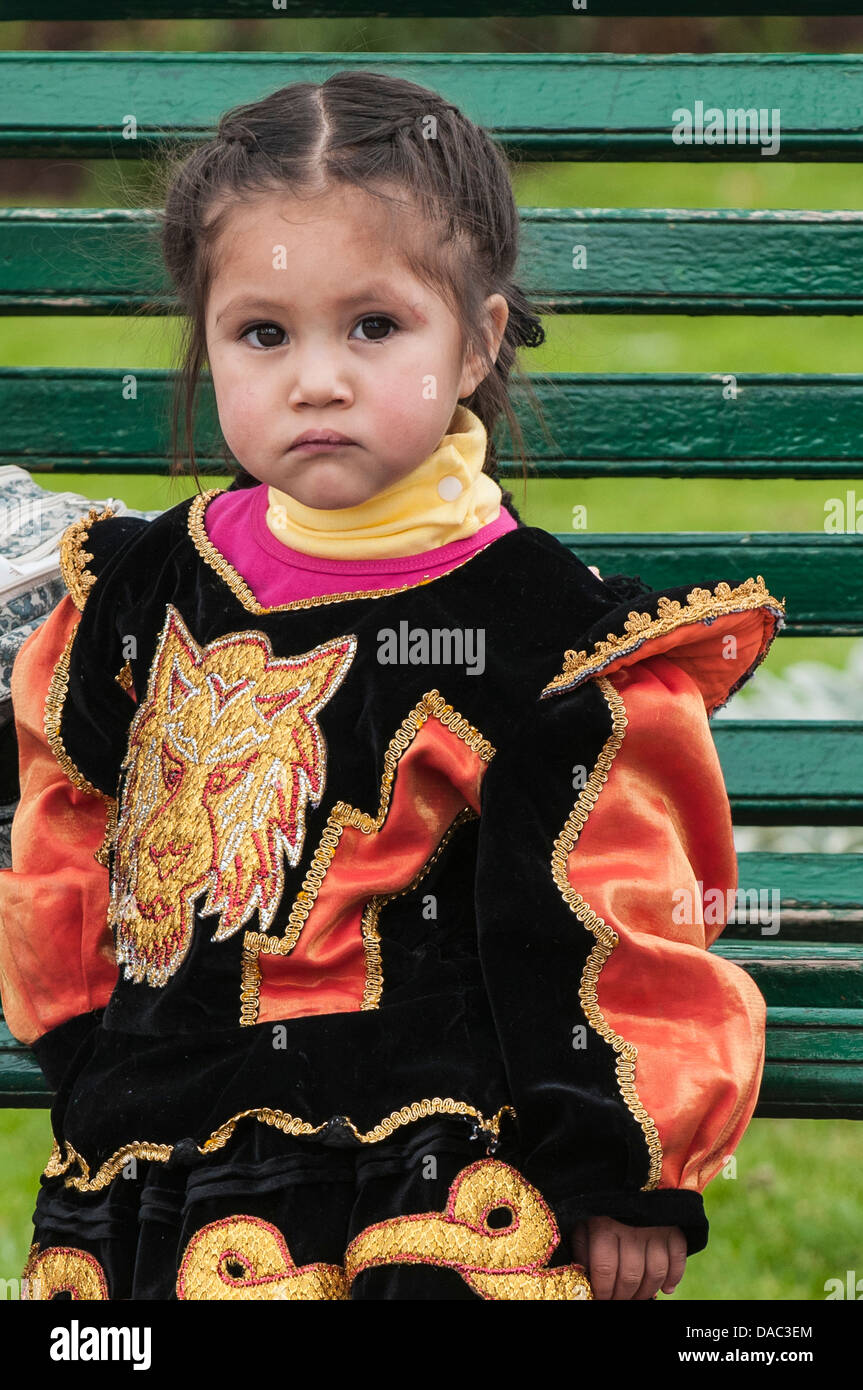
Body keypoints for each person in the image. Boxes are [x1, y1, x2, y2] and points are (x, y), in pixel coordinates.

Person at [0, 71, 785, 1302]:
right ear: (206, 338)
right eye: (263, 333)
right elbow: (73, 811)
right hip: (157, 1155)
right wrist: (83, 1038)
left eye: (373, 327)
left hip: (417, 1153)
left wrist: (620, 1162)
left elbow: (609, 902)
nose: (316, 379)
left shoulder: (538, 633)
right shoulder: (147, 588)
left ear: (474, 338)